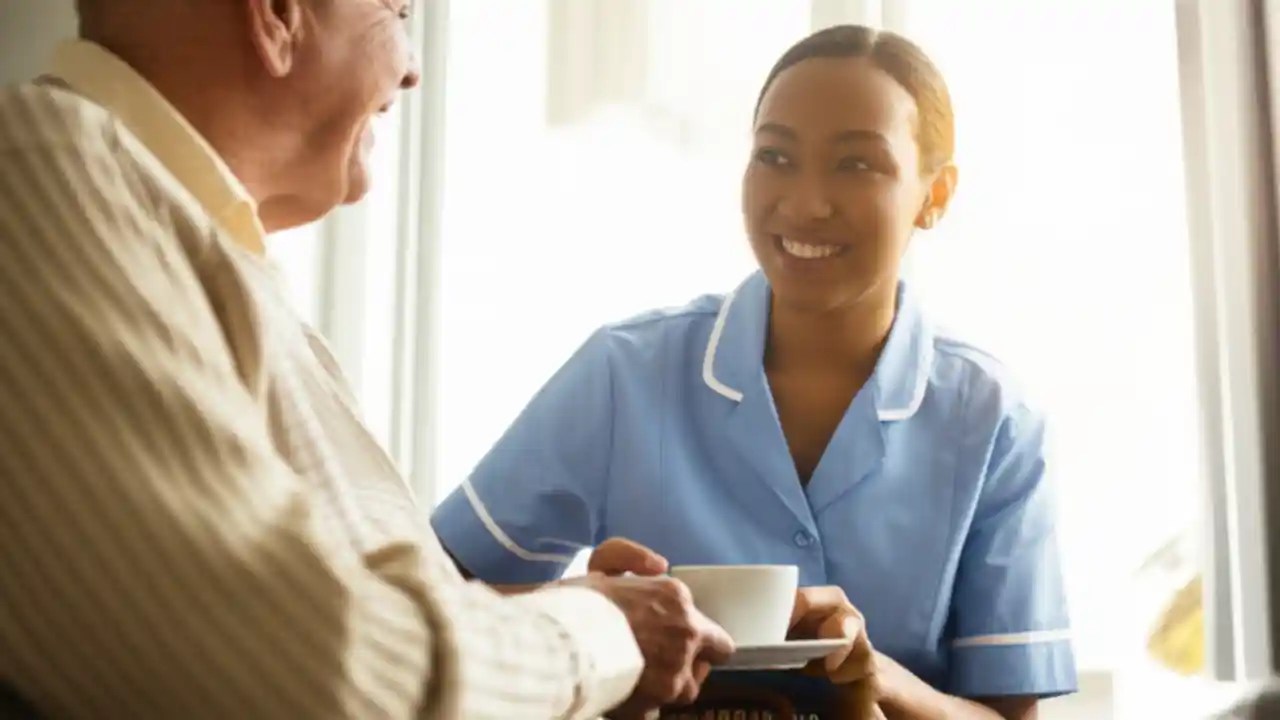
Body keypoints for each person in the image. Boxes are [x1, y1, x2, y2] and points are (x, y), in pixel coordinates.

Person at [0, 1, 889, 717]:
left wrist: (572, 623)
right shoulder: (42, 172)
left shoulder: (215, 268)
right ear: (275, 14)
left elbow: (343, 614)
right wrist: (604, 634)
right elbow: (322, 678)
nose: (413, 66)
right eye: (399, 12)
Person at [433, 24, 1078, 720]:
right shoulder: (624, 374)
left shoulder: (991, 420)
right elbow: (432, 603)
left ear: (936, 193)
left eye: (857, 165)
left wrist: (878, 677)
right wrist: (593, 618)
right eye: (775, 155)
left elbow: (1007, 716)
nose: (805, 202)